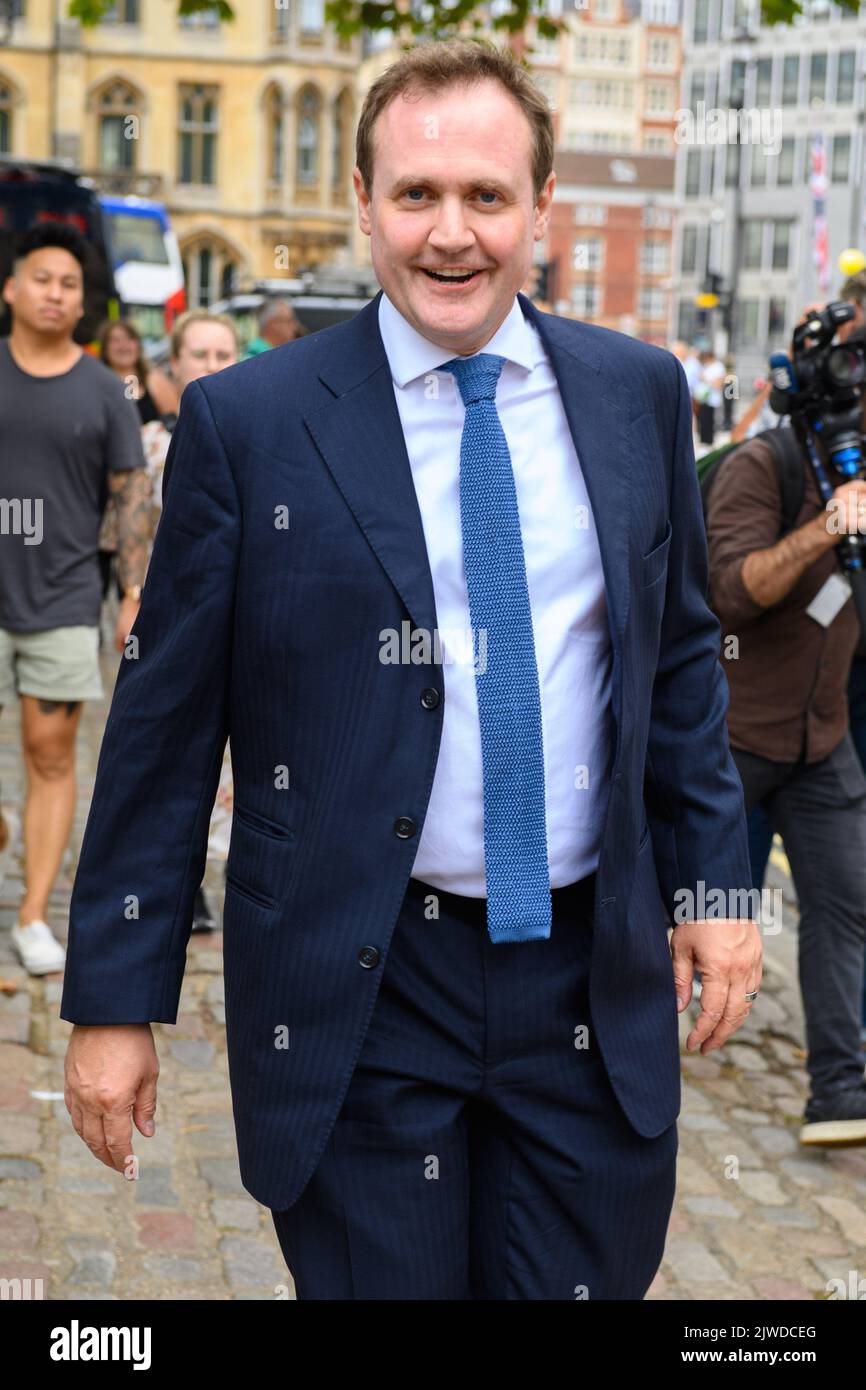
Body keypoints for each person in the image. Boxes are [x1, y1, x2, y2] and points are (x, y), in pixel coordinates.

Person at [60, 40, 760, 1301]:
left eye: (486, 197)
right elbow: (163, 731)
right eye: (416, 196)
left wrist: (717, 887)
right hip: (363, 980)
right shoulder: (254, 425)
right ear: (363, 204)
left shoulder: (636, 396)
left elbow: (677, 671)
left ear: (538, 207)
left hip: (586, 980)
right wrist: (115, 998)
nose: (451, 235)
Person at [705, 325, 866, 1142]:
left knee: (846, 907)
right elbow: (737, 590)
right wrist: (828, 527)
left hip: (822, 744)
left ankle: (839, 1092)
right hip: (733, 741)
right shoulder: (761, 465)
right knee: (702, 902)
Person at [0, 223, 150, 976]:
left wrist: (132, 592)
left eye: (70, 284)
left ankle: (31, 916)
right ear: (12, 288)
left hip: (62, 599)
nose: (57, 293)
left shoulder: (103, 391)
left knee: (51, 755)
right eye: (43, 279)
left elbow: (129, 498)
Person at [96, 319, 180, 613]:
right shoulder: (97, 381)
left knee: (136, 552)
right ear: (105, 347)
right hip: (102, 483)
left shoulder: (154, 379)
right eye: (115, 340)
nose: (123, 346)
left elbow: (175, 421)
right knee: (100, 557)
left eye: (128, 339)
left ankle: (131, 620)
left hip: (143, 486)